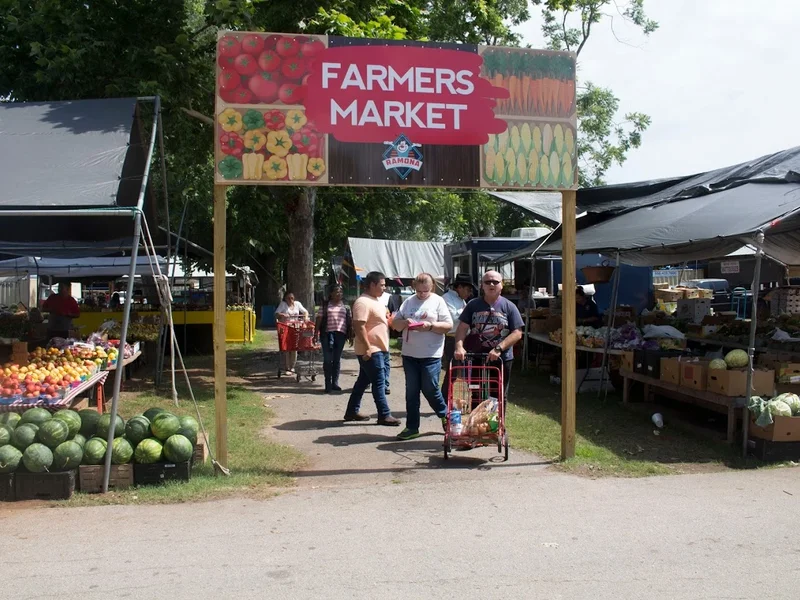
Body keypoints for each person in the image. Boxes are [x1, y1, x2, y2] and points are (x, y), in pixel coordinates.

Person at [391, 273, 453, 440]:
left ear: (431, 287)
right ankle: (412, 427)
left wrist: (431, 326)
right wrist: (405, 323)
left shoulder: (438, 301)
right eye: (418, 291)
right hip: (410, 354)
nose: (421, 294)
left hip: (431, 354)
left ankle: (445, 415)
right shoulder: (408, 302)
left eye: (425, 291)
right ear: (414, 287)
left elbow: (448, 325)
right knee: (411, 392)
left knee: (430, 388)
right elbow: (395, 325)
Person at [454, 270, 524, 402]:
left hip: (501, 358)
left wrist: (499, 348)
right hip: (476, 356)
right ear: (482, 285)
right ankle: (476, 422)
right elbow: (462, 327)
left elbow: (517, 333)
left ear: (501, 285)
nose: (491, 284)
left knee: (498, 394)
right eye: (488, 282)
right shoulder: (473, 305)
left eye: (495, 282)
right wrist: (459, 346)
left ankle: (496, 422)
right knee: (475, 392)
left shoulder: (509, 307)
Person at [344, 272, 400, 426]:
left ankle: (351, 411)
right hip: (371, 350)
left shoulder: (376, 301)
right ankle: (384, 414)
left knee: (363, 381)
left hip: (380, 348)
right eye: (381, 285)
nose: (384, 287)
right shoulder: (362, 302)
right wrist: (368, 348)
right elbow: (358, 325)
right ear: (372, 285)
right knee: (379, 382)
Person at [441, 273, 476, 403]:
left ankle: (450, 399)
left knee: (466, 372)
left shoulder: (461, 300)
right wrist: (469, 314)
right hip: (452, 338)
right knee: (453, 372)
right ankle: (443, 400)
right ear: (459, 287)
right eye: (468, 289)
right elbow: (454, 319)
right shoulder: (446, 299)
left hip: (464, 338)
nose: (469, 293)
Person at [315, 284, 352, 393]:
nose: (338, 294)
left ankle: (335, 383)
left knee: (336, 359)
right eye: (336, 291)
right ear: (331, 293)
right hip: (327, 334)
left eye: (340, 292)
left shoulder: (345, 306)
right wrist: (315, 333)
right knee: (327, 359)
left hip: (340, 335)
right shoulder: (325, 305)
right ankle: (328, 383)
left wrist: (351, 335)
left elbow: (349, 321)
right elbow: (319, 319)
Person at [275, 291, 309, 375]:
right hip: (286, 328)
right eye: (289, 298)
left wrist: (305, 317)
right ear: (285, 299)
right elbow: (276, 314)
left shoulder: (297, 304)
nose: (291, 300)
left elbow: (305, 311)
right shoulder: (283, 304)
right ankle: (287, 367)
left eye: (292, 298)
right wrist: (282, 315)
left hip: (296, 327)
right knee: (287, 348)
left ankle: (292, 366)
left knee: (294, 348)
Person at [378, 286, 393, 395]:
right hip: (372, 337)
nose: (383, 287)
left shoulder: (388, 298)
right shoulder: (366, 299)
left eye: (384, 285)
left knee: (385, 361)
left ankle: (385, 384)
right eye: (381, 284)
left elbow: (394, 315)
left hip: (385, 335)